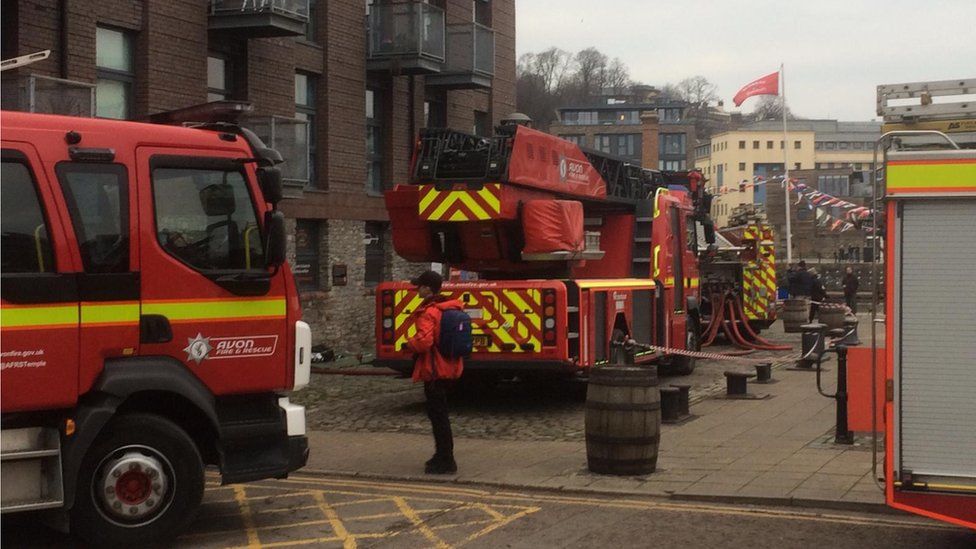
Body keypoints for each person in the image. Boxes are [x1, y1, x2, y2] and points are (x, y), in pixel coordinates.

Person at [405, 270, 465, 474]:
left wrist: (409, 344)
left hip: (434, 369)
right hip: (449, 367)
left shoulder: (429, 312)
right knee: (440, 414)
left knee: (438, 416)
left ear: (427, 288)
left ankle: (446, 459)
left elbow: (424, 342)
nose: (416, 289)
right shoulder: (448, 307)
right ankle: (441, 455)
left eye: (419, 286)